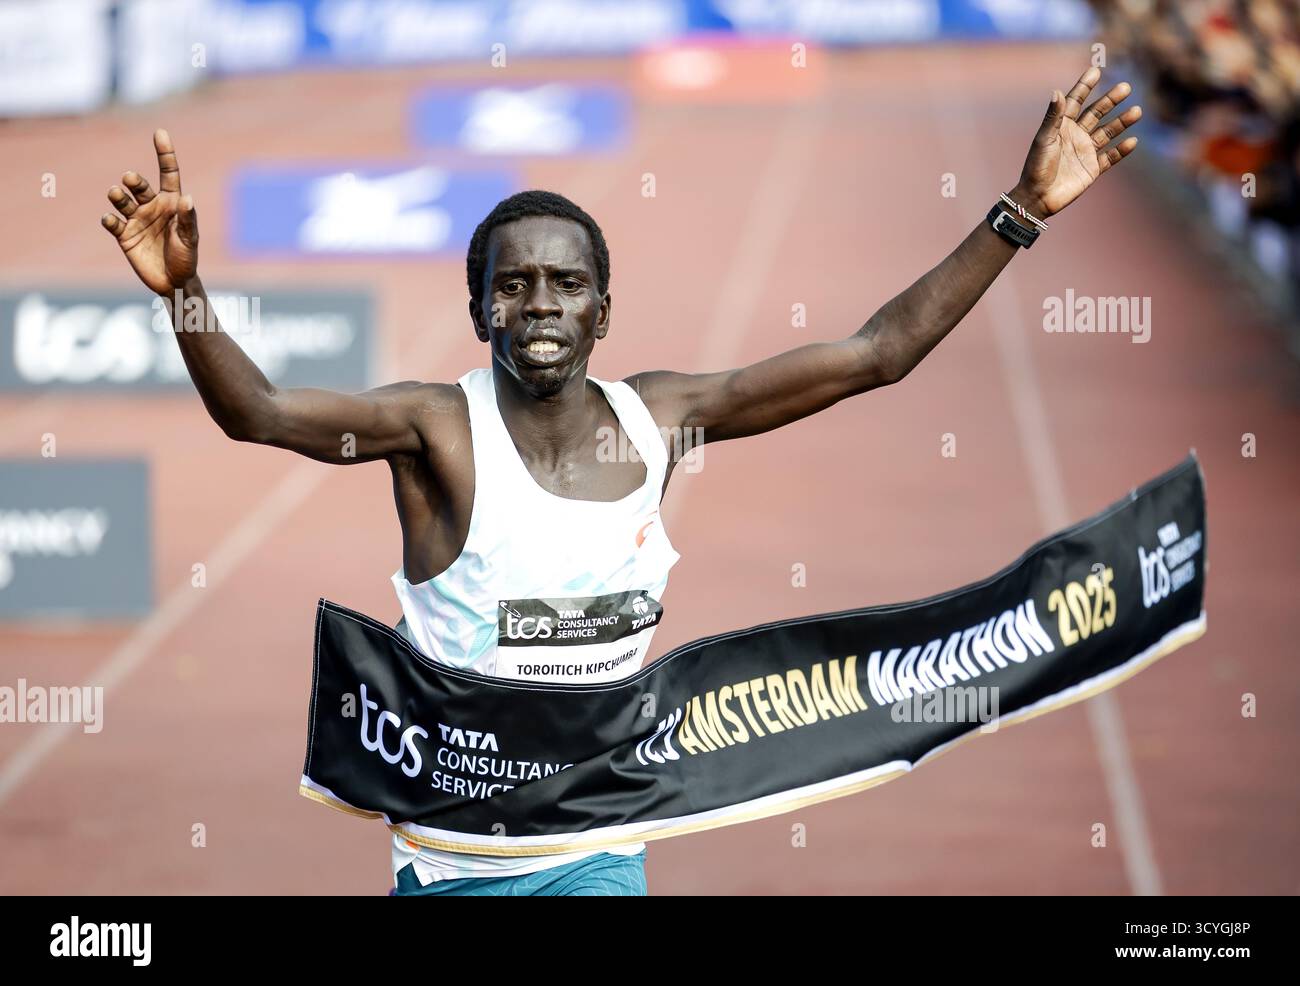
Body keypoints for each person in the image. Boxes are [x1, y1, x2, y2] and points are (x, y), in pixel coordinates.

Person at [99, 65, 1140, 896]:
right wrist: (186, 292)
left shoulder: (663, 417)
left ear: (604, 310)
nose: (539, 304)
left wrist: (1020, 208)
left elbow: (876, 352)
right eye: (512, 286)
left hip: (597, 852)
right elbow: (262, 414)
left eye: (565, 284)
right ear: (479, 314)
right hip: (446, 861)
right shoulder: (432, 429)